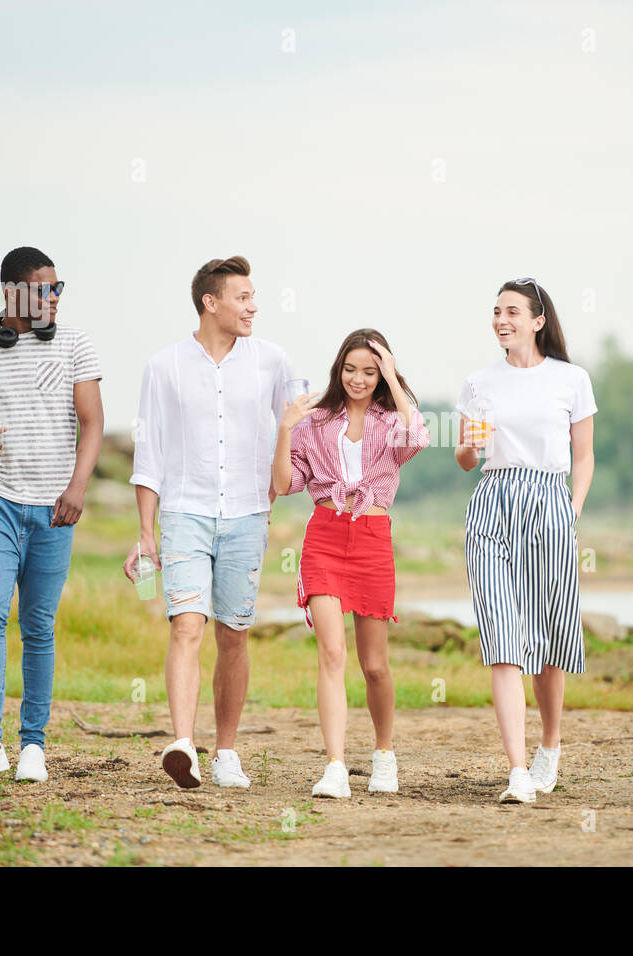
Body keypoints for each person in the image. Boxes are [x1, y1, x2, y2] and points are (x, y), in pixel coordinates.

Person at [123, 256, 294, 789]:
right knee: (186, 625)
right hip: (183, 513)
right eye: (243, 297)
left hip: (247, 515)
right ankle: (182, 744)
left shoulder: (273, 362)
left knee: (234, 635)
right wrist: (146, 532)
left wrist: (272, 494)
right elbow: (149, 454)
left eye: (254, 297)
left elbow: (293, 433)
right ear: (210, 302)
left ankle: (225, 751)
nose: (254, 307)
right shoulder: (163, 366)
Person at [0, 246, 105, 782]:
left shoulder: (75, 344)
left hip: (53, 510)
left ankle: (33, 746)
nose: (57, 298)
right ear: (13, 292)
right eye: (46, 289)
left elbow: (92, 424)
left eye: (59, 287)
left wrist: (77, 488)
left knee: (38, 625)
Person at [454, 277, 596, 804]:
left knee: (550, 637)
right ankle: (517, 771)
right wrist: (469, 448)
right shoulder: (478, 383)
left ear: (537, 321)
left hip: (549, 502)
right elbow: (466, 459)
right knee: (502, 639)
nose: (500, 319)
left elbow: (583, 455)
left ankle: (550, 747)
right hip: (492, 501)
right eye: (495, 311)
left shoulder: (571, 379)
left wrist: (572, 508)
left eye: (511, 310)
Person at [273, 329, 429, 798]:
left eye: (370, 370)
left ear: (382, 373)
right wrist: (284, 429)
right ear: (338, 370)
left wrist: (394, 377)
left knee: (375, 664)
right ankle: (335, 765)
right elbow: (284, 484)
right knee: (332, 654)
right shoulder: (315, 421)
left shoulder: (390, 421)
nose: (358, 379)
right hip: (324, 537)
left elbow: (418, 437)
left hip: (373, 539)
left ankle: (384, 754)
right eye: (350, 369)